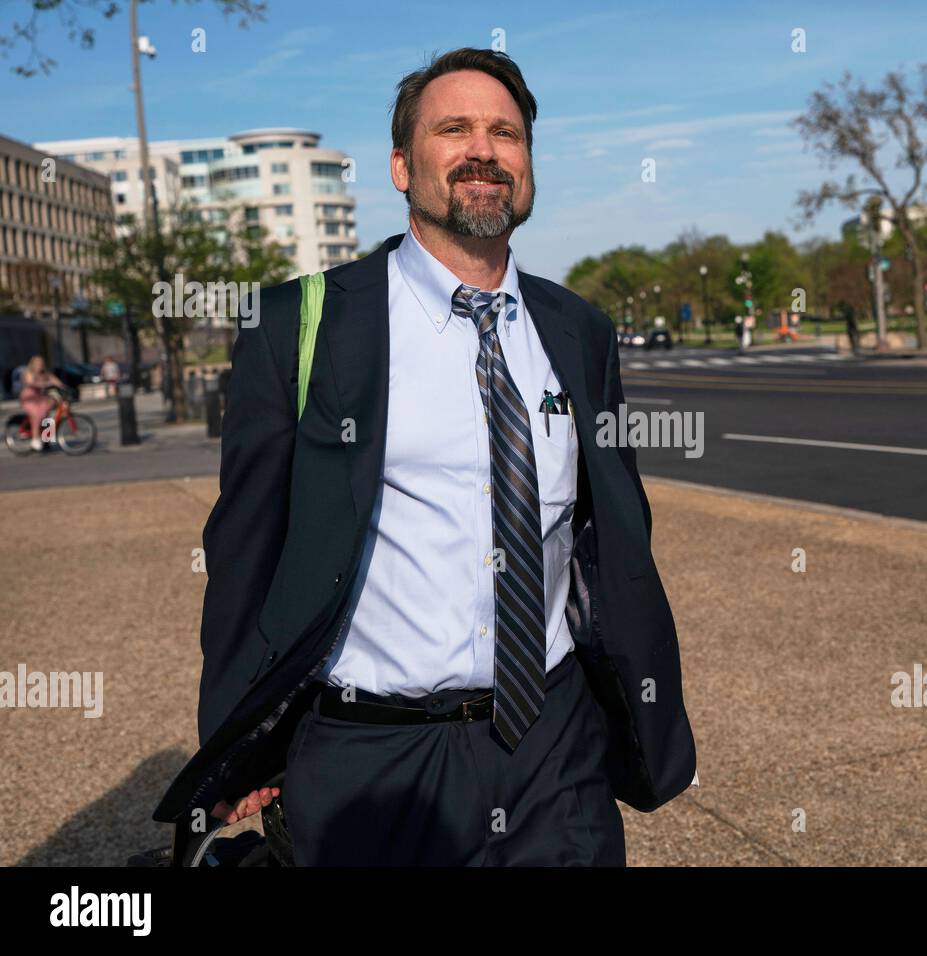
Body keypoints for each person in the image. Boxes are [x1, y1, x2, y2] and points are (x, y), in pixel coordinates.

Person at [152, 48, 696, 866]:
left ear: (528, 165)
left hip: (553, 746)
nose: (484, 150)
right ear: (403, 167)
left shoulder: (578, 330)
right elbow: (244, 553)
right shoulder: (301, 325)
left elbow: (608, 528)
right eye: (455, 129)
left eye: (505, 133)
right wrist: (239, 744)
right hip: (373, 759)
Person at [18, 355, 67, 452]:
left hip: (41, 397)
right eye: (37, 364)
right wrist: (46, 384)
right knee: (37, 414)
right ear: (32, 364)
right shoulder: (29, 372)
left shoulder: (45, 373)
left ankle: (46, 438)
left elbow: (56, 381)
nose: (40, 366)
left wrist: (64, 387)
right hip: (29, 398)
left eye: (41, 364)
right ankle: (35, 439)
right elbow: (31, 383)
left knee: (49, 412)